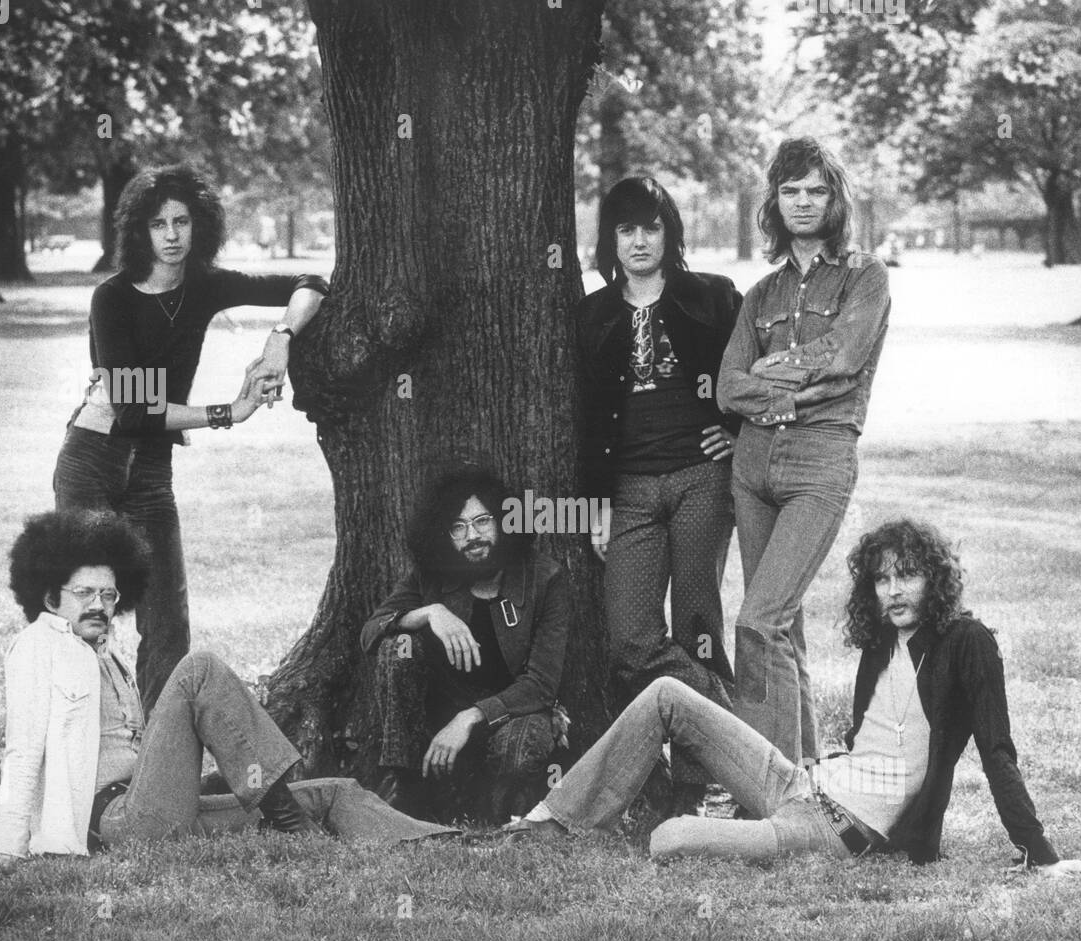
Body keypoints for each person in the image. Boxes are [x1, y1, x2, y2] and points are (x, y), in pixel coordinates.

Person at [503, 518, 1081, 879]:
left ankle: (652, 820)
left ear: (936, 578)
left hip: (832, 830)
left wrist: (1042, 854)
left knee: (668, 839)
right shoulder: (880, 641)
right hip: (797, 782)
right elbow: (863, 740)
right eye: (881, 579)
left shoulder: (968, 644)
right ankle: (552, 820)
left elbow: (998, 751)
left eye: (907, 575)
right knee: (667, 692)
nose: (892, 591)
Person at [0, 511, 451, 873]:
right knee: (199, 670)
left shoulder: (106, 654)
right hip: (117, 823)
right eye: (84, 594)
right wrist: (5, 847)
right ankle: (290, 824)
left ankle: (445, 841)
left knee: (333, 792)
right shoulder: (38, 646)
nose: (99, 605)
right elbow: (23, 749)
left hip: (158, 807)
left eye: (109, 594)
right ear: (51, 597)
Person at [53, 164, 328, 716]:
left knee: (168, 623)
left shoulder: (204, 287)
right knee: (86, 617)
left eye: (182, 221)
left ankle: (157, 756)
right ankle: (84, 754)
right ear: (140, 232)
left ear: (199, 225)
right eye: (159, 224)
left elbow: (313, 283)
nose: (173, 235)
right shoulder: (113, 298)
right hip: (92, 463)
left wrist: (281, 339)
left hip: (152, 474)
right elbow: (132, 412)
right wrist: (233, 410)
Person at [717, 138, 891, 768]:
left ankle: (769, 782)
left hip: (819, 463)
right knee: (782, 627)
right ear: (774, 201)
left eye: (815, 190)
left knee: (757, 622)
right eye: (790, 190)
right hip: (753, 468)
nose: (802, 202)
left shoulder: (865, 277)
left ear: (835, 198)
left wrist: (769, 373)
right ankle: (808, 774)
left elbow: (845, 359)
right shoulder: (760, 293)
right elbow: (727, 384)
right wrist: (786, 384)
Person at [578, 176, 743, 812]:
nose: (640, 240)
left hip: (702, 482)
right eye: (626, 229)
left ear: (670, 233)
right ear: (611, 240)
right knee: (631, 639)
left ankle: (694, 786)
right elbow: (589, 419)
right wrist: (595, 503)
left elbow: (745, 371)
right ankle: (742, 733)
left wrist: (733, 432)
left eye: (651, 226)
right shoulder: (592, 317)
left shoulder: (711, 298)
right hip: (630, 493)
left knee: (697, 622)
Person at [361, 466, 573, 824]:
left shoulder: (546, 578)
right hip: (439, 711)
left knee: (522, 752)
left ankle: (490, 807)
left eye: (482, 522)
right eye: (458, 527)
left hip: (512, 709)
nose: (472, 536)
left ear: (505, 521)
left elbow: (542, 684)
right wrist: (430, 612)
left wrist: (470, 717)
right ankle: (406, 788)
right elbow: (371, 632)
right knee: (399, 648)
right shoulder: (431, 576)